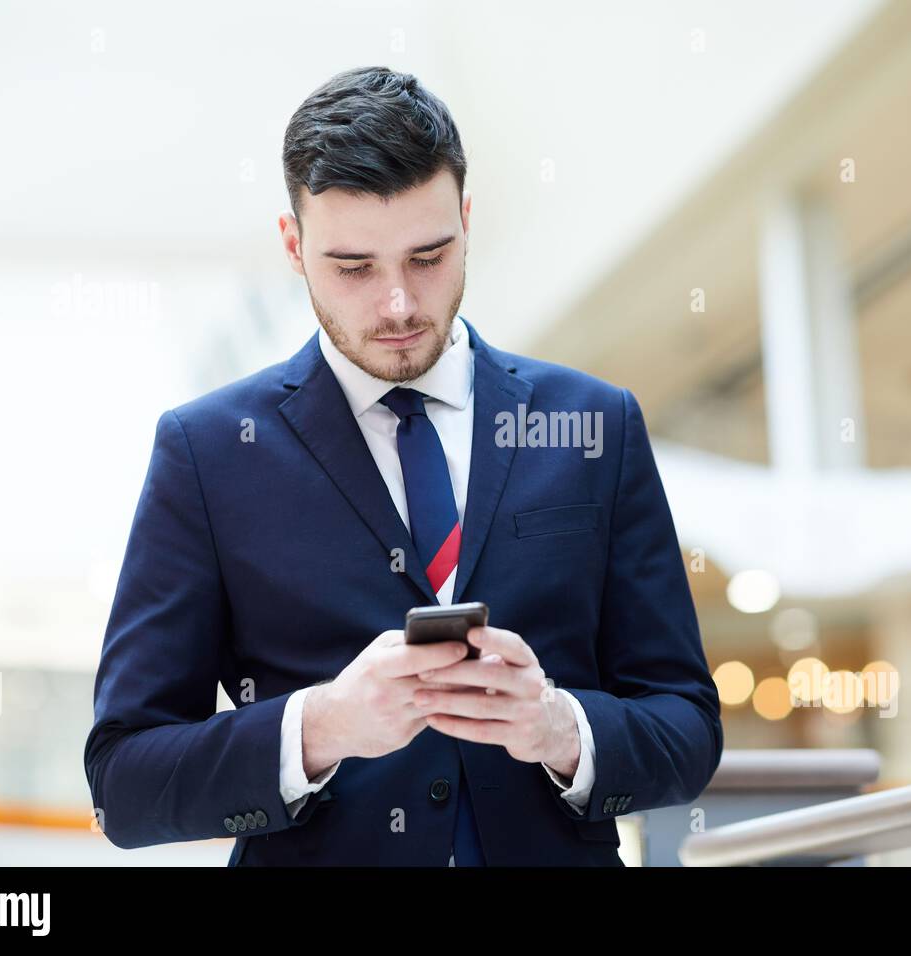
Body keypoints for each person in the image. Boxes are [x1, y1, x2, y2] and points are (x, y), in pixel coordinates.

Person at [83, 66, 723, 866]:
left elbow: (688, 728)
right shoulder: (207, 453)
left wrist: (560, 728)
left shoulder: (597, 425)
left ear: (465, 219)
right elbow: (124, 783)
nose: (396, 304)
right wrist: (318, 729)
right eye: (354, 267)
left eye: (428, 256)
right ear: (294, 246)